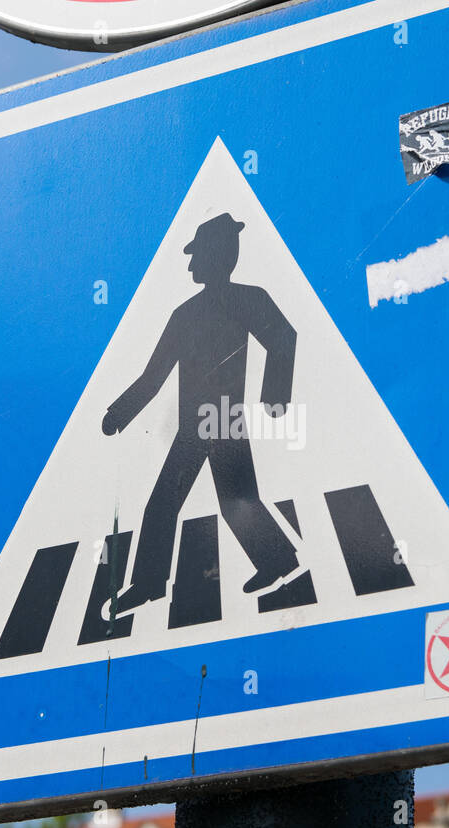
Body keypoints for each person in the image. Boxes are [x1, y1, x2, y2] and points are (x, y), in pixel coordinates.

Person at [102, 212, 301, 615]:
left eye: (196, 256)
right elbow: (153, 376)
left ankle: (277, 561)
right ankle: (151, 584)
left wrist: (275, 397)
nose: (190, 265)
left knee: (234, 501)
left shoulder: (248, 298)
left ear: (216, 256)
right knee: (177, 503)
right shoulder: (185, 314)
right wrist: (119, 414)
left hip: (224, 418)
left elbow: (284, 338)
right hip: (195, 424)